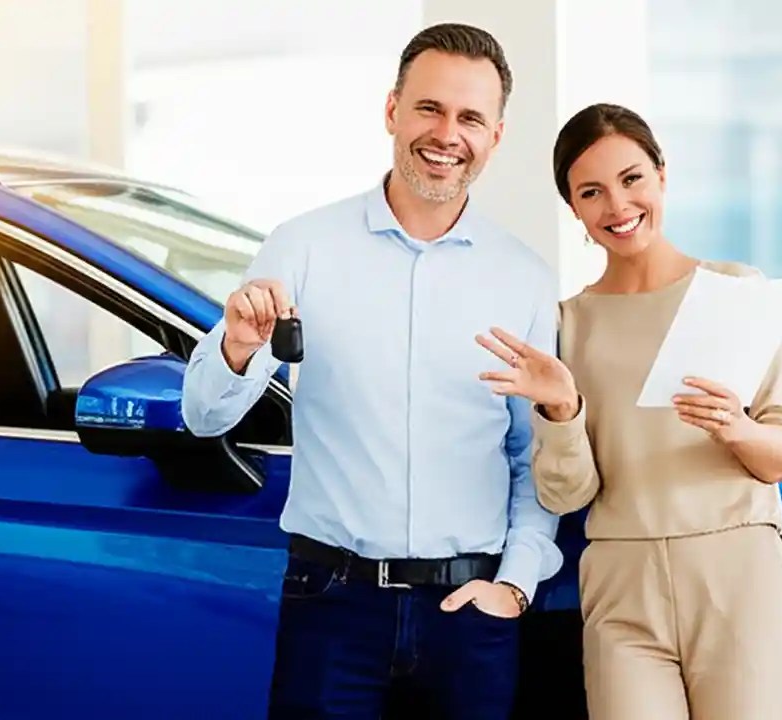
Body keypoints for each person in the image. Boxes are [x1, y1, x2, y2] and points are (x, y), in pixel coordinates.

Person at [179, 22, 563, 720]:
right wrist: (236, 347)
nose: (447, 134)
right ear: (392, 110)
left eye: (470, 118)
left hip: (468, 617)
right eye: (429, 108)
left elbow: (529, 459)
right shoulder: (301, 247)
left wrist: (514, 585)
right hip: (332, 608)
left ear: (496, 136)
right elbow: (205, 416)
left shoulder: (524, 279)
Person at [476, 102, 782, 719]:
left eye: (632, 179)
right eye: (592, 192)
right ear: (574, 209)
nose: (618, 205)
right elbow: (566, 494)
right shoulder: (568, 325)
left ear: (661, 173)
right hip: (621, 582)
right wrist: (562, 409)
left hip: (739, 575)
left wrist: (737, 428)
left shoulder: (736, 290)